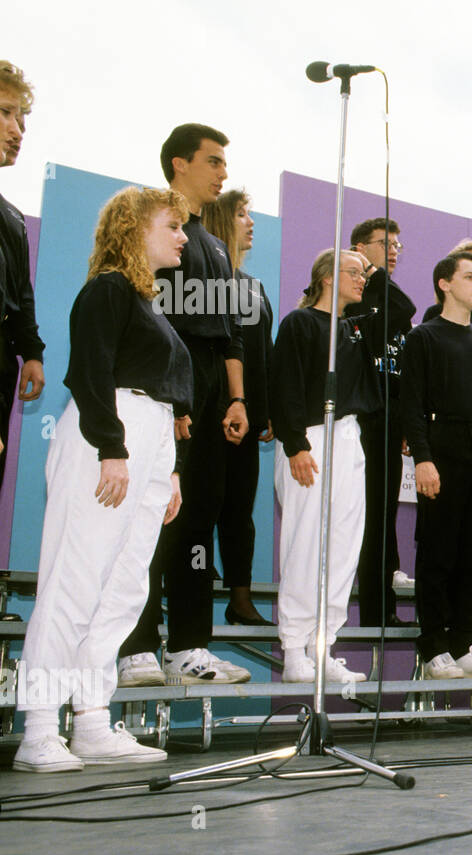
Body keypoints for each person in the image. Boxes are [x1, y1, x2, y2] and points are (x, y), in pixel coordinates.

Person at [13, 187, 190, 771]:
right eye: (173, 224)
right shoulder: (109, 288)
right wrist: (111, 448)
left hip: (147, 442)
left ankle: (90, 720)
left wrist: (166, 471)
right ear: (136, 227)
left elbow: (162, 396)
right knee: (74, 582)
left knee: (121, 591)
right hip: (105, 436)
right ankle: (39, 726)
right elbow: (90, 371)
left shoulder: (150, 302)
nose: (184, 236)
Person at [117, 123, 251, 688]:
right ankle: (136, 645)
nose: (223, 172)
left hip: (212, 397)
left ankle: (189, 645)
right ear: (179, 163)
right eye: (214, 161)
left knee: (197, 523)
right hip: (166, 394)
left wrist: (236, 398)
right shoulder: (155, 229)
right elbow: (151, 321)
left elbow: (228, 336)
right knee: (154, 519)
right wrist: (174, 399)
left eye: (225, 162)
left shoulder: (216, 245)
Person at [268, 250, 379, 684]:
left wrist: (372, 270)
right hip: (311, 437)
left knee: (343, 545)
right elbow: (286, 384)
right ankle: (295, 648)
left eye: (365, 275)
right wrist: (295, 444)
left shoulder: (353, 329)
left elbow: (398, 308)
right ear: (327, 277)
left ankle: (323, 644)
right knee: (307, 543)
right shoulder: (299, 324)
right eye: (355, 272)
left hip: (349, 437)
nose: (363, 281)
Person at [402, 251, 472, 678]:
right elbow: (412, 405)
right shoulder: (424, 337)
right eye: (470, 276)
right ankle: (434, 647)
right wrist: (425, 459)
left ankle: (466, 643)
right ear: (444, 283)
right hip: (441, 448)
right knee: (438, 552)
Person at [203, 189, 274, 627]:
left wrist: (263, 411)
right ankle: (191, 574)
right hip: (210, 408)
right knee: (201, 503)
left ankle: (241, 599)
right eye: (243, 214)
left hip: (248, 415)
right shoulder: (201, 279)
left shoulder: (254, 285)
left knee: (240, 509)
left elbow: (260, 351)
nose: (251, 222)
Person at [345, 217, 417, 628]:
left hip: (391, 417)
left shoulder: (387, 295)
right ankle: (373, 613)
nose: (393, 250)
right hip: (363, 421)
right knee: (369, 515)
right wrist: (369, 274)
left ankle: (384, 610)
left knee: (385, 513)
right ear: (359, 247)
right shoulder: (355, 295)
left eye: (397, 245)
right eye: (384, 243)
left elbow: (403, 359)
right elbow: (404, 309)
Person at [0, 62, 46, 499]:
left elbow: (21, 297)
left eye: (22, 118)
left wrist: (31, 352)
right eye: (6, 113)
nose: (19, 130)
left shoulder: (13, 219)